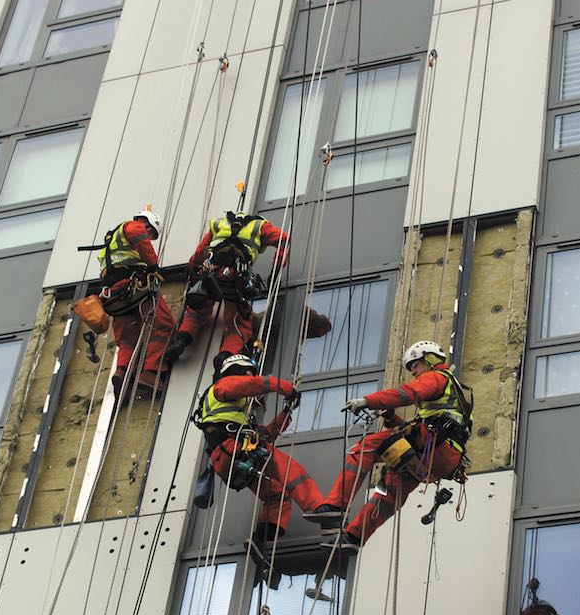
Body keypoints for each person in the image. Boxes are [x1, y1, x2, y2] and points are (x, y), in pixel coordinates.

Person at [311, 340, 473, 551]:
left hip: (432, 444)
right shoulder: (450, 393)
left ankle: (335, 506)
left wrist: (369, 401)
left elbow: (408, 394)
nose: (413, 371)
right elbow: (410, 427)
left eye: (415, 364)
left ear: (429, 360)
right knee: (391, 490)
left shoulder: (436, 378)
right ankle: (354, 537)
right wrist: (389, 416)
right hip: (440, 457)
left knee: (367, 446)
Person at [192, 352, 334, 578]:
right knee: (288, 469)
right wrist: (283, 387)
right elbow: (252, 384)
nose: (251, 376)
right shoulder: (221, 387)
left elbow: (265, 435)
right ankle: (319, 508)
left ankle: (261, 540)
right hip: (233, 449)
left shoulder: (236, 413)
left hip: (231, 456)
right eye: (248, 372)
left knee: (277, 495)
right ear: (238, 371)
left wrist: (286, 412)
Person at [165, 211, 290, 364]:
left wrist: (193, 267)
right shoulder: (261, 226)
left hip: (211, 272)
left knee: (197, 312)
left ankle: (181, 341)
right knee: (239, 322)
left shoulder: (218, 223)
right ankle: (225, 355)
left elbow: (201, 250)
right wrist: (276, 270)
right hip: (235, 277)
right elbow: (284, 239)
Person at [96, 209, 174, 397]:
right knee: (164, 325)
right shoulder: (133, 226)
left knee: (127, 336)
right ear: (147, 224)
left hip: (114, 294)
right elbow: (138, 237)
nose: (150, 237)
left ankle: (122, 371)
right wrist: (154, 265)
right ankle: (149, 372)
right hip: (134, 286)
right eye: (151, 233)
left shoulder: (112, 240)